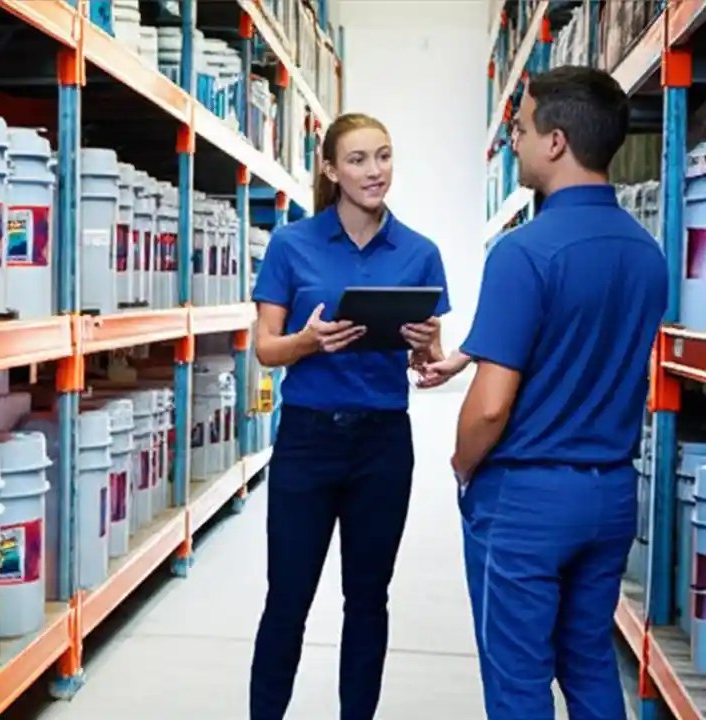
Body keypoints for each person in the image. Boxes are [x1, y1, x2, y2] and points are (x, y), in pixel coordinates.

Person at [421, 66, 669, 718]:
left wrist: (462, 465)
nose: (516, 142)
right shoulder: (647, 253)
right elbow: (579, 338)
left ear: (556, 142)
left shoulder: (523, 252)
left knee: (518, 681)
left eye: (523, 129)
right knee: (588, 661)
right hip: (612, 493)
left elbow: (491, 405)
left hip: (527, 497)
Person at [249, 112, 451, 719]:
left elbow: (429, 358)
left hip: (383, 443)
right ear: (332, 170)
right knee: (288, 598)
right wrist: (307, 342)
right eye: (358, 159)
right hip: (308, 439)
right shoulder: (291, 244)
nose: (374, 171)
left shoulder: (420, 252)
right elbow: (266, 349)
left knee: (367, 600)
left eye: (383, 156)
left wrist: (426, 347)